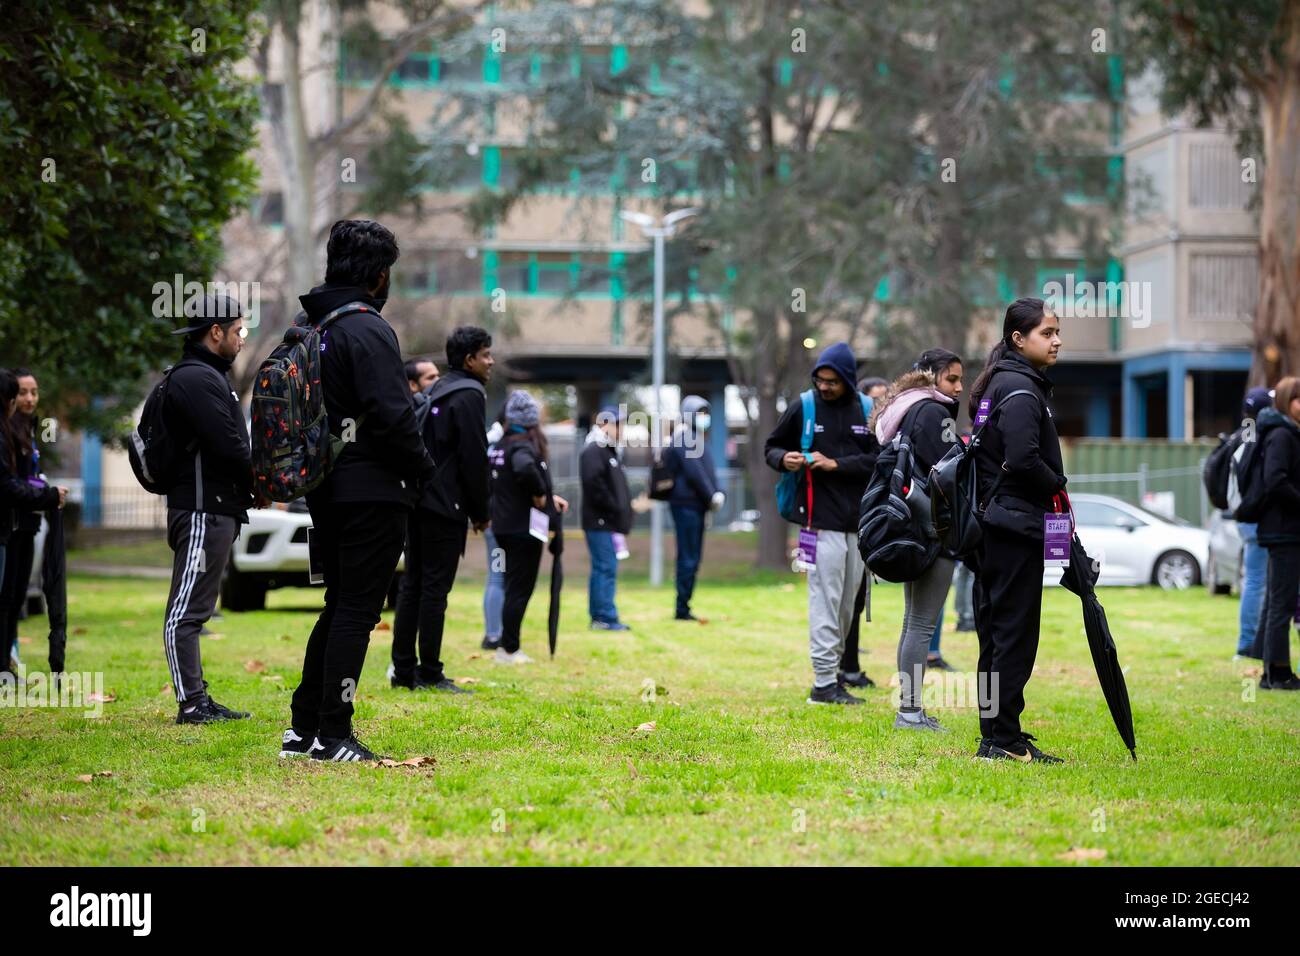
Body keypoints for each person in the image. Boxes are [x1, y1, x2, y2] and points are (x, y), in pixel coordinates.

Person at [280, 219, 436, 763]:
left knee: (338, 605)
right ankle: (333, 734)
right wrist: (423, 468)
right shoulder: (367, 329)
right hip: (373, 490)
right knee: (357, 613)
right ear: (377, 276)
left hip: (326, 486)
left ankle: (303, 731)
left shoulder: (310, 325)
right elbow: (394, 416)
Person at [967, 297, 1067, 763]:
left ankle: (995, 735)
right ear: (1018, 338)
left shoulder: (998, 384)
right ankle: (1003, 739)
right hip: (1013, 527)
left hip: (993, 526)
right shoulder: (1022, 391)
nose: (1057, 340)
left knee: (995, 635)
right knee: (1014, 636)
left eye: (1056, 331)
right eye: (1047, 333)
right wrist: (1058, 483)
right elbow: (1024, 459)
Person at [158, 296, 255, 724]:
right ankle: (192, 705)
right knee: (186, 612)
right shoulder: (195, 378)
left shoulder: (208, 375)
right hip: (200, 509)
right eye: (238, 331)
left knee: (196, 607)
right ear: (215, 331)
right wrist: (262, 480)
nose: (241, 340)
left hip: (213, 509)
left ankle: (198, 698)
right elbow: (229, 445)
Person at [766, 344, 878, 705]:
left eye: (832, 381)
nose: (825, 387)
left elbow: (880, 459)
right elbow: (771, 447)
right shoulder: (804, 406)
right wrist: (786, 458)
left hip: (858, 525)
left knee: (848, 606)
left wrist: (836, 465)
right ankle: (823, 684)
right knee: (825, 602)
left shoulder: (867, 409)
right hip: (818, 524)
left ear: (847, 380)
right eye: (820, 380)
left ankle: (834, 676)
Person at [390, 326, 493, 692]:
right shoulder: (469, 394)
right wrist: (481, 511)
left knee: (413, 586)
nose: (491, 361)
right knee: (434, 589)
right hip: (445, 505)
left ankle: (404, 671)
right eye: (485, 355)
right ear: (469, 360)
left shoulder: (439, 389)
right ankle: (431, 672)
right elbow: (473, 458)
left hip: (419, 500)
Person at [869, 349, 964, 728]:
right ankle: (909, 712)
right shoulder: (933, 412)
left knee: (913, 621)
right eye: (952, 379)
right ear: (930, 377)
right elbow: (948, 471)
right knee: (922, 624)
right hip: (932, 527)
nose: (959, 388)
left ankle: (910, 709)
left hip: (908, 524)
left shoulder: (904, 409)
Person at [489, 390, 568, 663]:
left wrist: (548, 496)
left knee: (512, 586)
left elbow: (507, 483)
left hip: (504, 525)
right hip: (523, 528)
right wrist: (539, 494)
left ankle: (506, 645)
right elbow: (524, 470)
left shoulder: (502, 444)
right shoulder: (523, 446)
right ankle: (509, 649)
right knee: (519, 589)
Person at [0, 369, 67, 682]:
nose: (28, 399)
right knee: (7, 598)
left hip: (27, 523)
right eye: (22, 392)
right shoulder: (7, 429)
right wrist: (46, 494)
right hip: (11, 526)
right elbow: (10, 483)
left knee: (16, 599)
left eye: (34, 392)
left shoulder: (31, 428)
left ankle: (9, 663)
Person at [838, 376, 890, 687]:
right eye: (876, 401)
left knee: (856, 597)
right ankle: (842, 667)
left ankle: (849, 665)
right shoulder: (859, 438)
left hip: (869, 522)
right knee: (844, 598)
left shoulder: (884, 436)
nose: (882, 407)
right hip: (847, 521)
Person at [1254, 376, 1300, 690]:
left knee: (1276, 602)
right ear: (1286, 401)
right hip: (1284, 530)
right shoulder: (1282, 436)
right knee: (1280, 604)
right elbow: (1275, 480)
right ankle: (1276, 674)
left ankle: (1274, 672)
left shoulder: (1285, 433)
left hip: (1284, 529)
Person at [666, 395, 723, 622]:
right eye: (700, 413)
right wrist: (712, 496)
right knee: (688, 558)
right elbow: (695, 473)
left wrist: (715, 495)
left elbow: (706, 472)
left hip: (697, 506)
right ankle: (682, 608)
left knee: (693, 557)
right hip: (686, 506)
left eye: (706, 413)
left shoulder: (695, 438)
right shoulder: (684, 439)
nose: (705, 418)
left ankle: (684, 606)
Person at [581, 405, 633, 631]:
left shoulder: (609, 450)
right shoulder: (594, 450)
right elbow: (595, 486)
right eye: (618, 424)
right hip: (599, 521)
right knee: (605, 568)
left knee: (603, 567)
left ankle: (601, 616)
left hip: (606, 521)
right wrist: (614, 508)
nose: (622, 429)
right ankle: (604, 617)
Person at [1233, 386, 1274, 660]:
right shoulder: (1262, 440)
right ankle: (1249, 645)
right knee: (1259, 581)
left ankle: (1252, 643)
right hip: (1258, 519)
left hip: (1244, 518)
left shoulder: (1242, 439)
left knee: (1255, 580)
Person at [481, 406, 507, 650]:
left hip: (493, 518)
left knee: (498, 575)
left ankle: (495, 631)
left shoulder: (490, 441)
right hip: (498, 520)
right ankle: (493, 634)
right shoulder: (496, 443)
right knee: (498, 576)